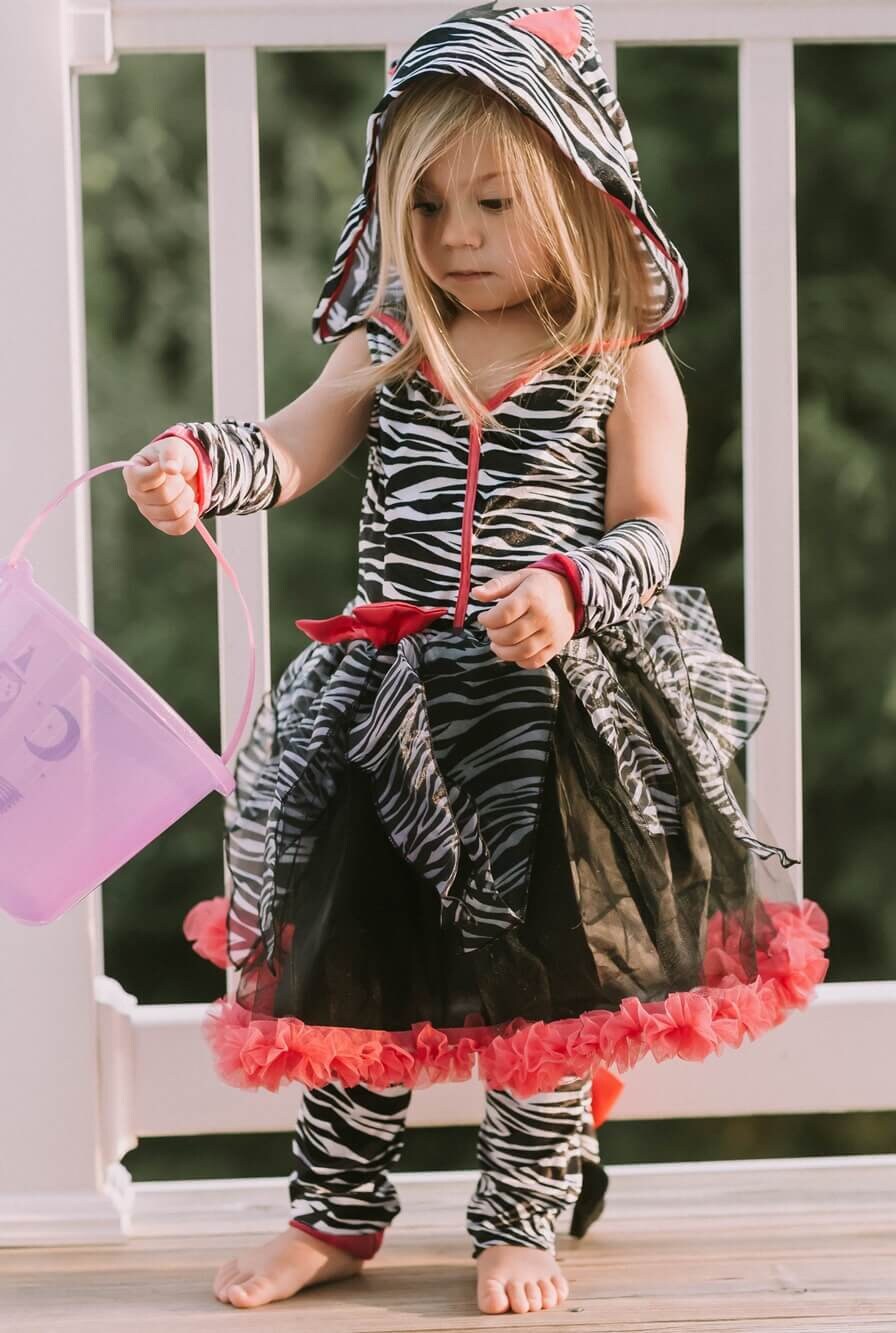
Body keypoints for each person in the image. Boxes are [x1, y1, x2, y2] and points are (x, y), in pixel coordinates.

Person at [123, 2, 829, 1316]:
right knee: (350, 974)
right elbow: (292, 444)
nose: (455, 237)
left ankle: (526, 1207)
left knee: (543, 988)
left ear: (577, 182)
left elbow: (653, 525)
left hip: (548, 712)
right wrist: (201, 469)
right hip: (389, 711)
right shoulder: (394, 335)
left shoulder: (620, 356)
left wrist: (572, 588)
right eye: (428, 203)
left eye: (493, 203)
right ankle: (337, 1209)